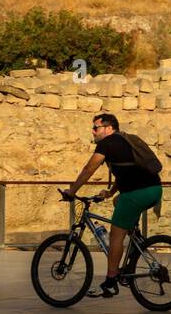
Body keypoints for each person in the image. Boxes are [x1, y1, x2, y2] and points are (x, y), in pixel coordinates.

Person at [62, 114, 163, 298]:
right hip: (154, 190)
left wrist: (72, 191)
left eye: (96, 127)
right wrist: (110, 193)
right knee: (118, 202)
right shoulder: (124, 140)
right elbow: (127, 172)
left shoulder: (107, 144)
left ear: (109, 129)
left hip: (137, 193)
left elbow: (89, 168)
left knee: (115, 235)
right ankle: (135, 242)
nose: (93, 131)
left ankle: (110, 282)